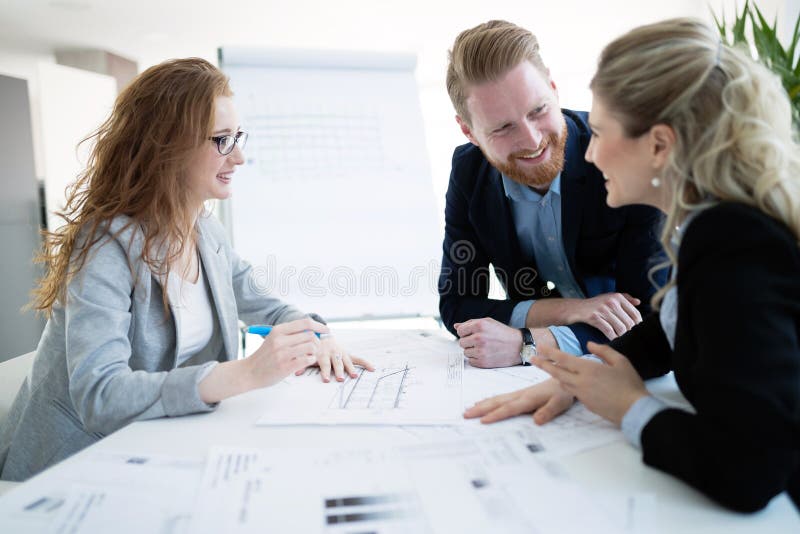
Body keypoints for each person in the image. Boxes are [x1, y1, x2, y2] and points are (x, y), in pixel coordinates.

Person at [465, 18, 800, 512]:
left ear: (659, 145)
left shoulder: (734, 243)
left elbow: (751, 470)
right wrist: (580, 377)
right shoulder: (713, 223)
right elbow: (681, 326)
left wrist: (627, 406)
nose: (591, 153)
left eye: (599, 132)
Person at [0, 58, 373, 481]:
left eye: (237, 137)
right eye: (221, 140)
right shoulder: (107, 245)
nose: (240, 157)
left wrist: (315, 337)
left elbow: (269, 308)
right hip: (70, 470)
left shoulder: (205, 232)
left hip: (156, 449)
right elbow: (99, 395)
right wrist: (247, 373)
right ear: (167, 146)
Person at [439, 20, 666, 369]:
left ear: (554, 89)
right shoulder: (469, 173)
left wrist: (531, 342)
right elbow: (456, 304)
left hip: (639, 368)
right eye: (502, 128)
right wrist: (573, 310)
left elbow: (651, 312)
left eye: (538, 110)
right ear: (469, 131)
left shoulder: (622, 153)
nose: (532, 141)